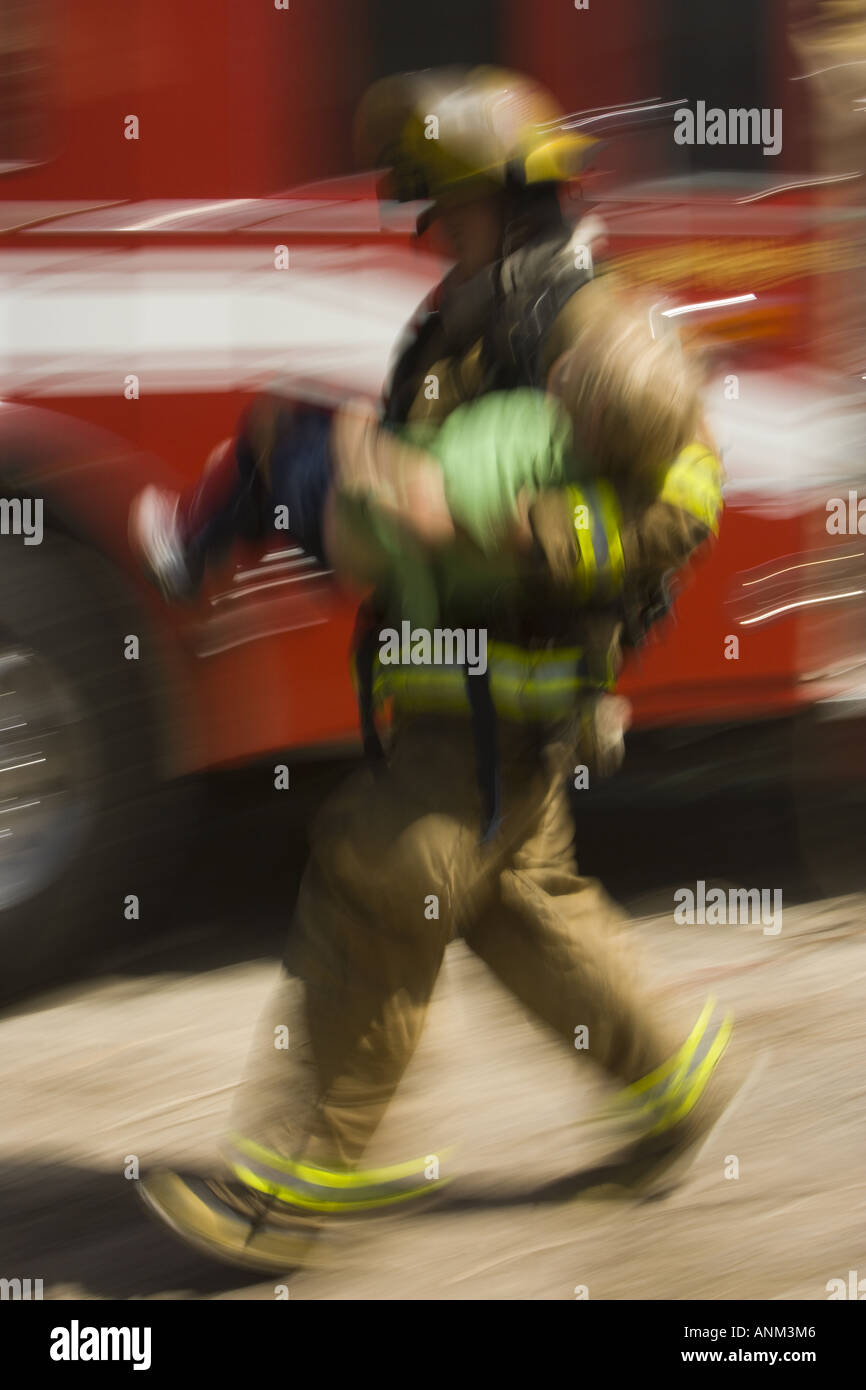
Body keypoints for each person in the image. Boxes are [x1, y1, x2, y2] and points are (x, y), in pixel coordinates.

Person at [138, 69, 741, 1273]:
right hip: (452, 677)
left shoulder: (587, 324)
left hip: (498, 692)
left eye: (442, 205)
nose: (423, 230)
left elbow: (688, 493)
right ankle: (673, 1091)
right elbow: (430, 469)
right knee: (520, 907)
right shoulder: (474, 313)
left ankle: (284, 1190)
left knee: (380, 880)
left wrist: (527, 531)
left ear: (514, 198)